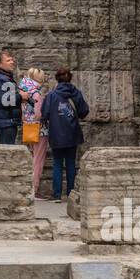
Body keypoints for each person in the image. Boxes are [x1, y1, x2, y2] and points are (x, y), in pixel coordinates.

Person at [41, 67, 90, 203]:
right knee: (70, 163)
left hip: (56, 133)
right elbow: (84, 111)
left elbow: (44, 114)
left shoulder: (51, 95)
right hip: (72, 133)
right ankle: (70, 194)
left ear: (57, 79)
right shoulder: (76, 93)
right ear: (70, 78)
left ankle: (56, 195)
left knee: (57, 163)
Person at [19, 67, 48, 198]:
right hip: (39, 130)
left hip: (27, 128)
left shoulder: (23, 91)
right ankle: (33, 190)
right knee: (38, 160)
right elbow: (38, 114)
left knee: (30, 159)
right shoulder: (36, 93)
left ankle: (26, 188)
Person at [0, 51, 23, 145]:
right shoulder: (0, 79)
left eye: (12, 60)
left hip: (7, 123)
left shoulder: (5, 78)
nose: (12, 62)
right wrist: (21, 96)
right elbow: (6, 101)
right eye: (8, 60)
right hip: (5, 124)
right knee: (6, 155)